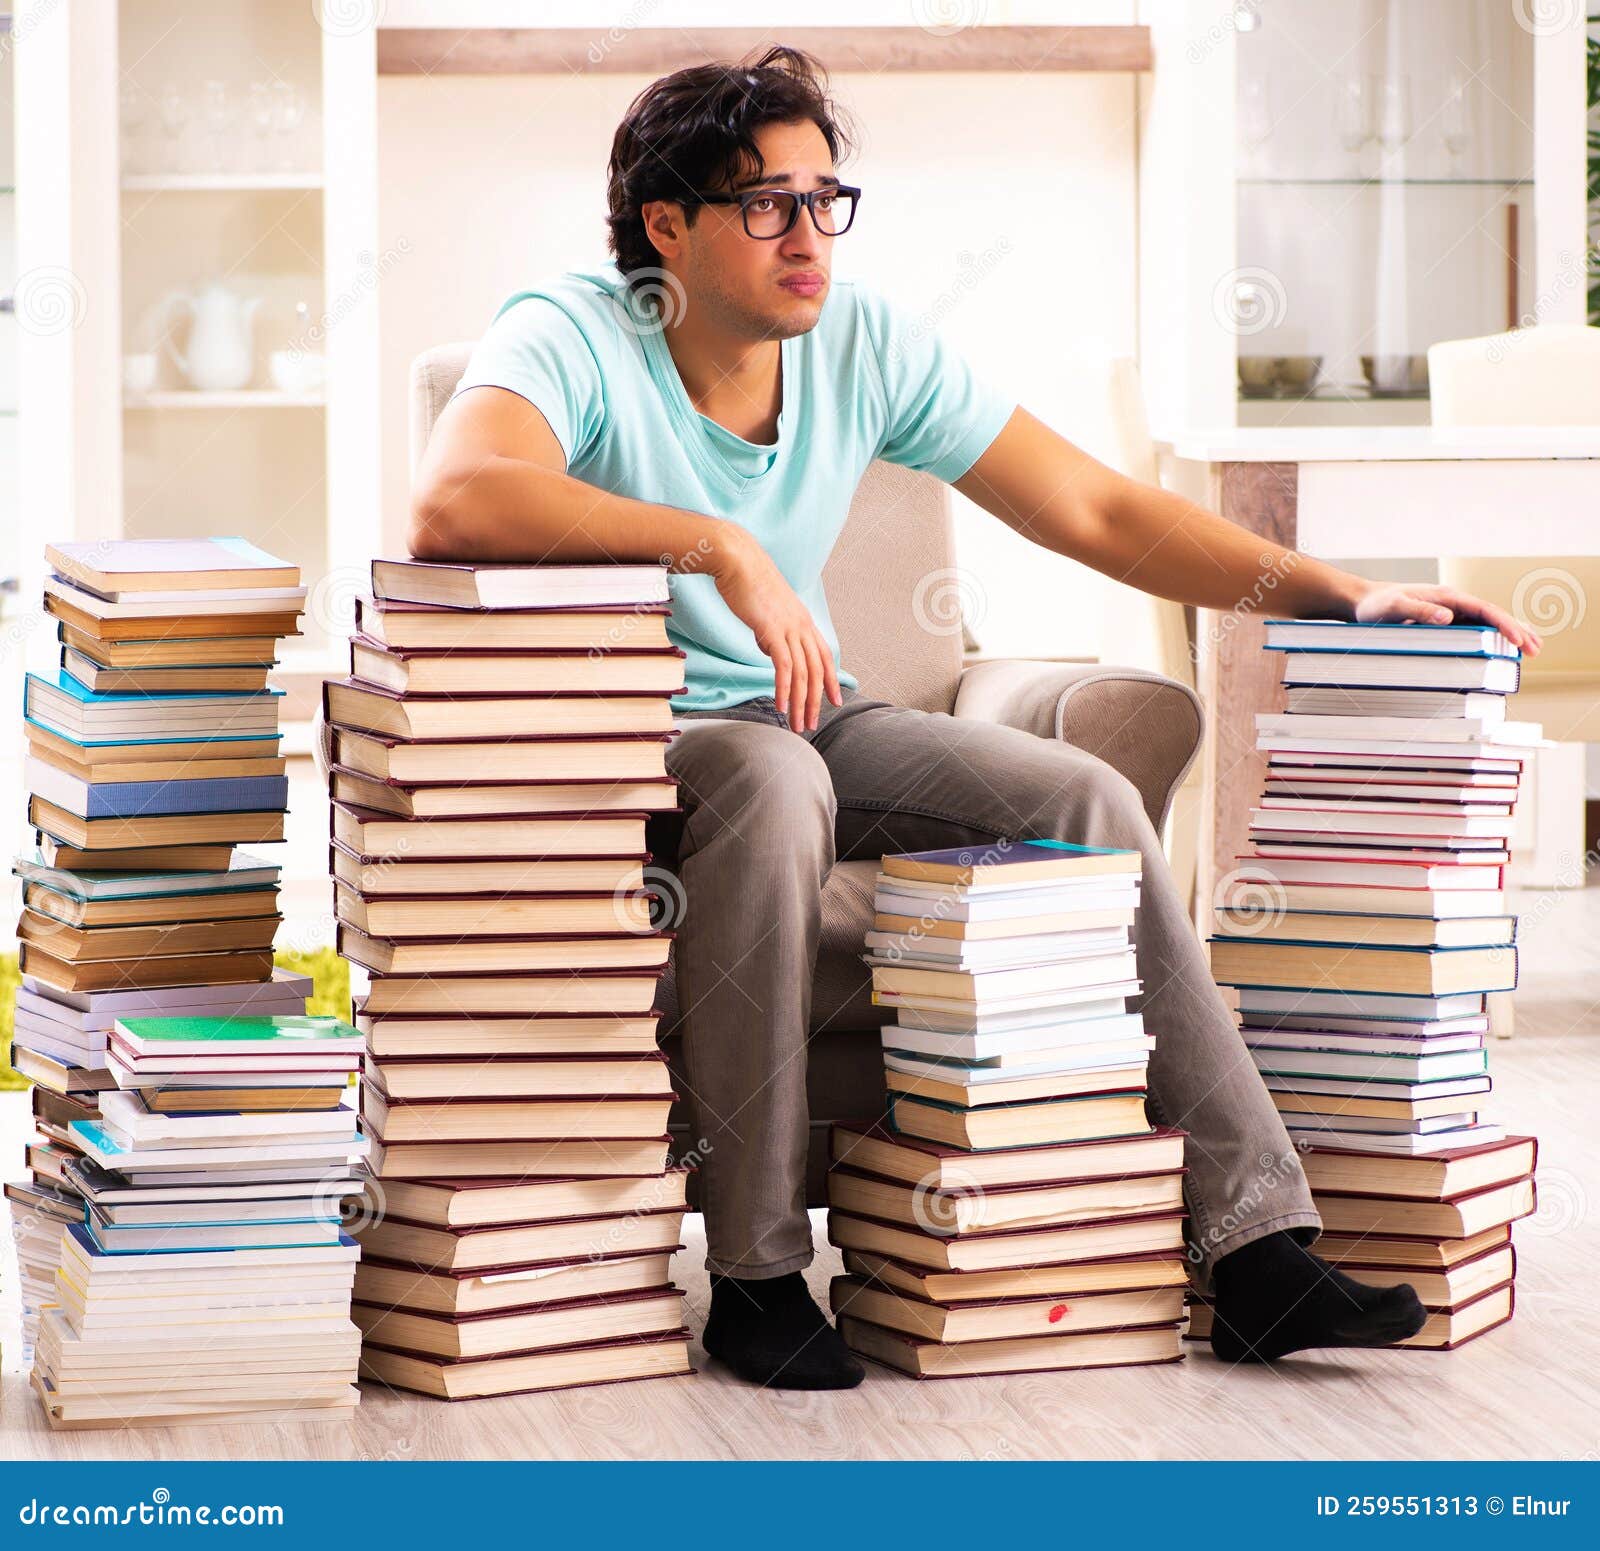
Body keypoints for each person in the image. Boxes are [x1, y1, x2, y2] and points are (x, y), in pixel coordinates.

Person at [410, 46, 1542, 1390]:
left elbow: (1098, 511)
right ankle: (762, 1275)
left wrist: (1337, 593)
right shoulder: (577, 326)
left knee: (1085, 798)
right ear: (669, 226)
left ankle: (1252, 1251)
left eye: (828, 199)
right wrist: (716, 545)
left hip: (810, 712)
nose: (809, 235)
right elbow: (459, 500)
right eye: (767, 204)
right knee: (772, 785)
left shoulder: (863, 343)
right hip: (625, 743)